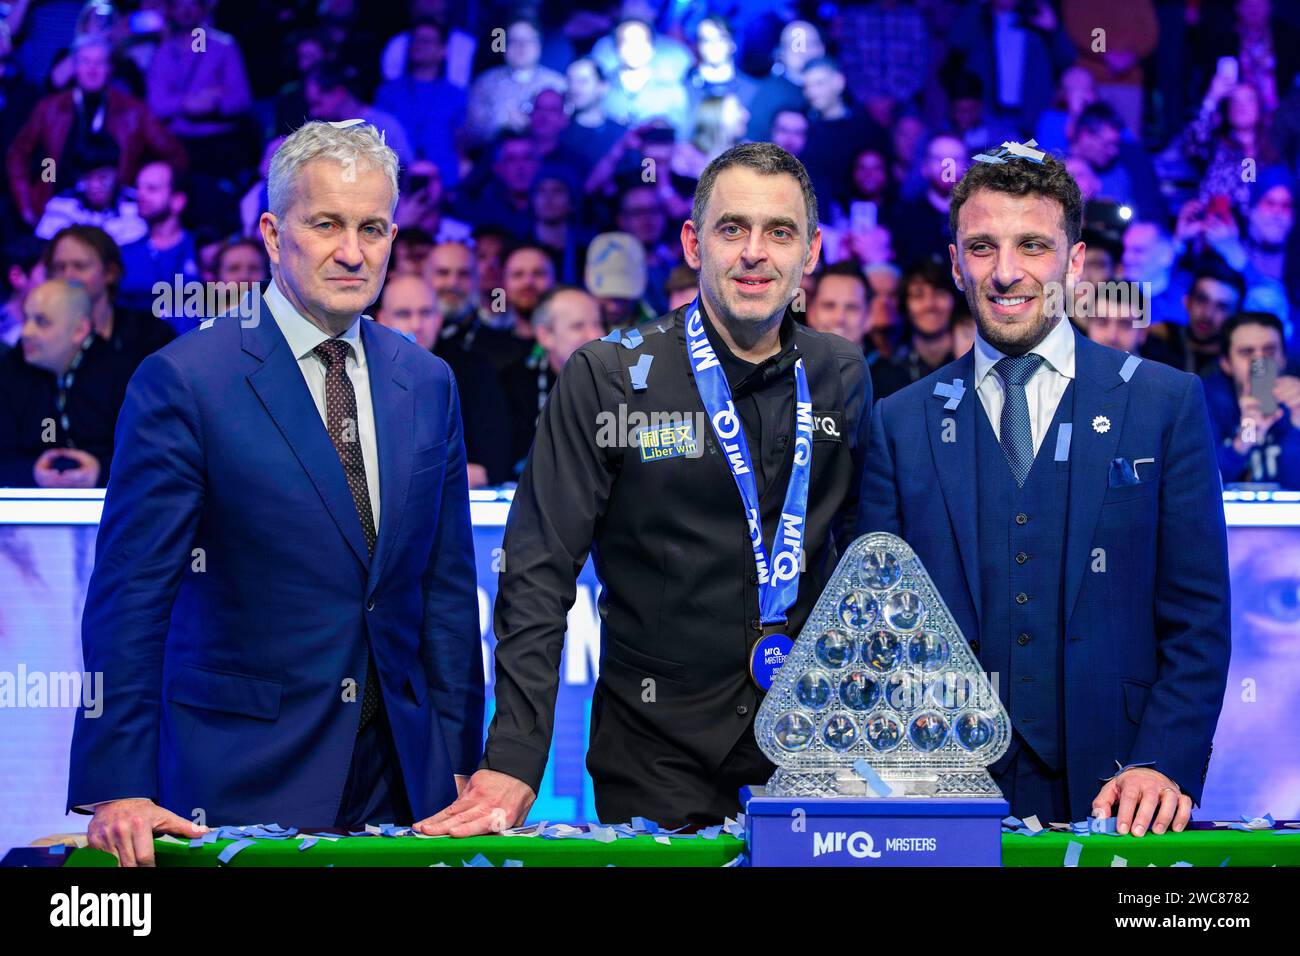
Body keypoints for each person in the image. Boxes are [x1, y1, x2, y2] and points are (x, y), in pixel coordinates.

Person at [419, 143, 872, 833]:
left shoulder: (841, 374)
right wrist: (514, 758)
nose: (755, 252)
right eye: (732, 229)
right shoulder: (606, 376)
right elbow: (538, 570)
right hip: (654, 755)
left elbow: (867, 561)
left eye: (780, 232)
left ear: (810, 253)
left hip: (813, 751)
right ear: (693, 242)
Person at [67, 120, 483, 864]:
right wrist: (116, 783)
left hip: (404, 788)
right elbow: (131, 596)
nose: (352, 252)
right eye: (326, 224)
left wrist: (459, 760)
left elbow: (445, 591)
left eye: (373, 228)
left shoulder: (428, 381)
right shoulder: (186, 380)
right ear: (270, 230)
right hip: (235, 778)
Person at [859, 151, 1230, 833]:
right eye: (982, 247)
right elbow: (878, 633)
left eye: (1033, 244)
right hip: (943, 805)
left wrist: (1163, 761)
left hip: (1121, 794)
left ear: (1075, 261)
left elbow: (1198, 619)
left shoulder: (1163, 403)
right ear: (954, 262)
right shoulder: (898, 422)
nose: (1005, 271)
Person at [6, 34, 186, 227]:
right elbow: (18, 154)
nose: (92, 68)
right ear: (74, 67)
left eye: (100, 62)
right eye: (85, 61)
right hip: (58, 208)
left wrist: (144, 188)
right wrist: (27, 205)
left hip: (117, 214)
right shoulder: (49, 108)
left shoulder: (133, 111)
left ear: (110, 69)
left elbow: (174, 154)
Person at [375, 273, 512, 487]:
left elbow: (491, 468)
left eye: (426, 312)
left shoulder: (475, 371)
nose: (416, 324)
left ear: (439, 318)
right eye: (404, 314)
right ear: (382, 319)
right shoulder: (361, 370)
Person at [0, 279, 132, 488]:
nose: (26, 332)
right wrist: (31, 471)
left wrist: (101, 471)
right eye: (26, 319)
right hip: (28, 510)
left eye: (41, 322)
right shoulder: (10, 371)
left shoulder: (122, 375)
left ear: (79, 330)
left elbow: (146, 457)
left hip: (109, 507)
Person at [500, 285, 606, 478]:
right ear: (545, 336)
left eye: (598, 324)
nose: (595, 335)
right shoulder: (512, 385)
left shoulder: (620, 381)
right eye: (578, 326)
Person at [42, 225, 176, 374]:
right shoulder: (37, 340)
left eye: (80, 266)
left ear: (110, 273)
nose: (68, 276)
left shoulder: (150, 335)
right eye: (59, 267)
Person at [1204, 311, 1300, 489]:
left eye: (1269, 350)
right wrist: (1243, 441)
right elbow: (1202, 487)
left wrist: (1297, 430)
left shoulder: (1296, 402)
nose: (1259, 361)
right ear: (1226, 363)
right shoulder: (1205, 404)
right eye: (1247, 352)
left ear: (1283, 358)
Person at [117, 162, 200, 318]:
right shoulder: (125, 255)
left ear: (178, 201)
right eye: (139, 188)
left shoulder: (200, 250)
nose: (140, 195)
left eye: (152, 189)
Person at [1142, 260, 1247, 375]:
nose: (1208, 314)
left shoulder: (1239, 359)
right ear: (1187, 302)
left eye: (1221, 307)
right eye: (1202, 300)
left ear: (1235, 316)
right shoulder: (1158, 337)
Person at [804, 261, 870, 349]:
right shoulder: (789, 362)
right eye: (829, 306)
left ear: (869, 317)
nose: (839, 318)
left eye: (851, 308)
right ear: (811, 313)